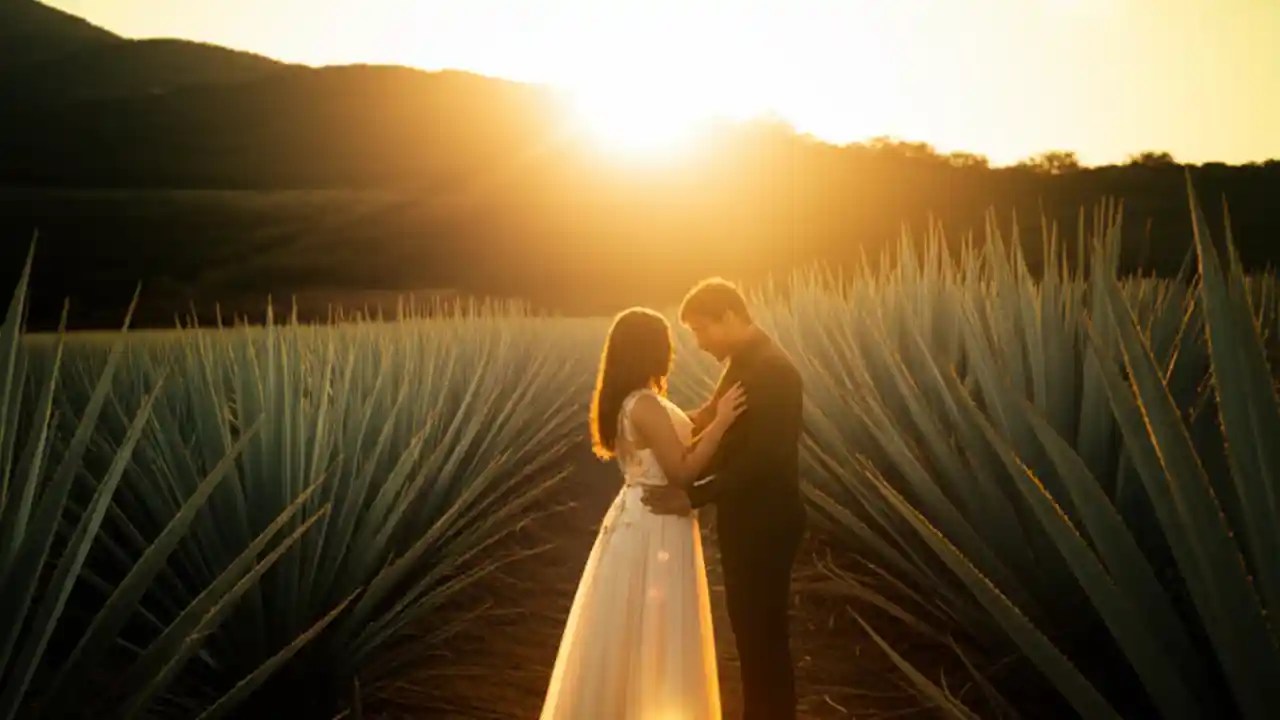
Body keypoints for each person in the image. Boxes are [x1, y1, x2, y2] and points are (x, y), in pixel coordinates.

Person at [540, 306, 747, 720]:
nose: (672, 352)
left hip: (636, 517)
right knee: (658, 630)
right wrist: (722, 423)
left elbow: (682, 429)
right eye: (665, 342)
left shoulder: (633, 401)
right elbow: (683, 469)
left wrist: (710, 411)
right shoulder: (647, 404)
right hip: (656, 523)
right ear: (650, 348)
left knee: (630, 628)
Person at [643, 277, 806, 720]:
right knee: (752, 633)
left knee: (763, 635)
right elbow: (710, 421)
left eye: (702, 330)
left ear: (731, 317)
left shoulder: (772, 371)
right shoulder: (743, 363)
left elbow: (765, 459)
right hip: (748, 518)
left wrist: (692, 497)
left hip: (767, 522)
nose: (698, 343)